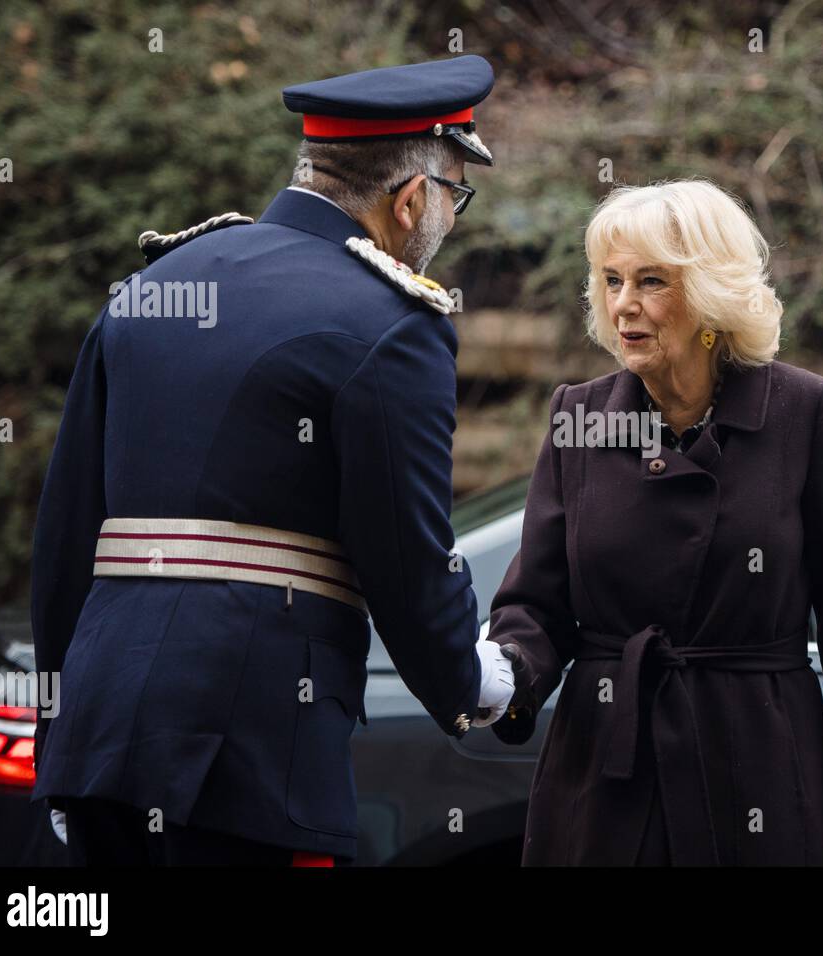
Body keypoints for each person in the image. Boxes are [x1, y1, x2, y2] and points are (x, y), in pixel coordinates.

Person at [29, 54, 514, 866]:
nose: (451, 220)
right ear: (410, 201)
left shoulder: (156, 285)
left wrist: (59, 731)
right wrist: (468, 681)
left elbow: (67, 536)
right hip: (252, 763)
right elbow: (406, 551)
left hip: (99, 745)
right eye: (454, 195)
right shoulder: (392, 323)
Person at [482, 180, 823, 865]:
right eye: (611, 279)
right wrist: (501, 674)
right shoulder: (579, 414)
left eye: (651, 281)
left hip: (758, 761)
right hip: (603, 770)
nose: (624, 303)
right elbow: (537, 602)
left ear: (713, 292)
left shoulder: (805, 411)